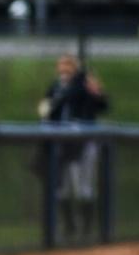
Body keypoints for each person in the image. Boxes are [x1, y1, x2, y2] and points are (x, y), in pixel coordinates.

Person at [40, 55, 110, 242]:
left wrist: (98, 92)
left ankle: (87, 228)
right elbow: (45, 110)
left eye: (68, 66)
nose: (64, 70)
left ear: (75, 68)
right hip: (61, 142)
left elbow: (102, 105)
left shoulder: (83, 86)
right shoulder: (56, 87)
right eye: (61, 66)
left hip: (83, 140)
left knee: (83, 186)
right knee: (61, 186)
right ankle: (69, 226)